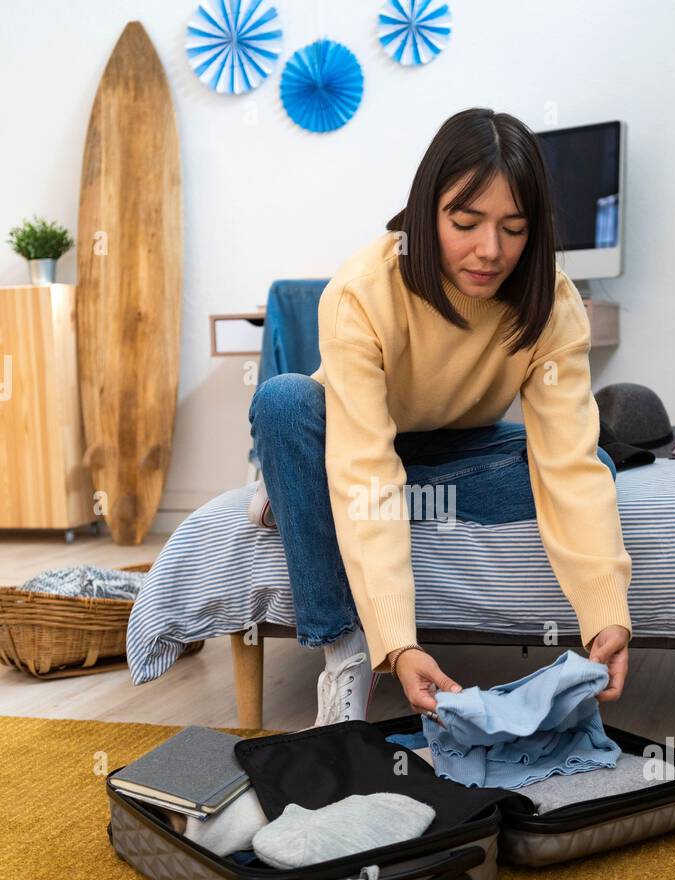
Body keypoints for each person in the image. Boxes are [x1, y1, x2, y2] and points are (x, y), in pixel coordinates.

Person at [248, 107, 632, 726]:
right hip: (350, 434)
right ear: (428, 211)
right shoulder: (361, 290)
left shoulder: (553, 302)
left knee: (601, 465)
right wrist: (396, 642)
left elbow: (567, 463)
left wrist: (606, 611)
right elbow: (367, 466)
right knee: (283, 401)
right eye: (466, 222)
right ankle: (344, 650)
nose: (490, 251)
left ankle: (304, 498)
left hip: (455, 446)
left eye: (514, 228)